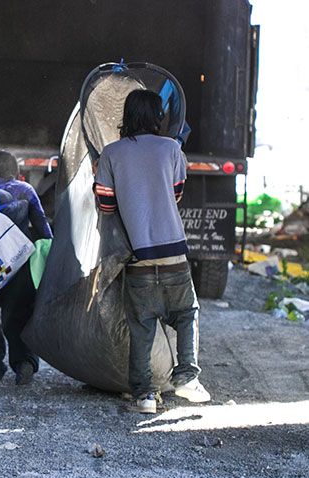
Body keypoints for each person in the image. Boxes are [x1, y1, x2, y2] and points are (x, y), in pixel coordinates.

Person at [93, 89, 211, 413]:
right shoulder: (172, 149)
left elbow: (105, 204)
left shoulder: (111, 154)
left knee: (141, 326)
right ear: (159, 117)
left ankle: (144, 395)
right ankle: (186, 376)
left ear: (126, 117)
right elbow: (175, 195)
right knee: (186, 314)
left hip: (137, 255)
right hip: (173, 251)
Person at [0, 150, 53, 385]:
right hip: (19, 263)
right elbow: (43, 229)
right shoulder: (24, 190)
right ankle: (24, 363)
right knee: (19, 314)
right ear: (15, 171)